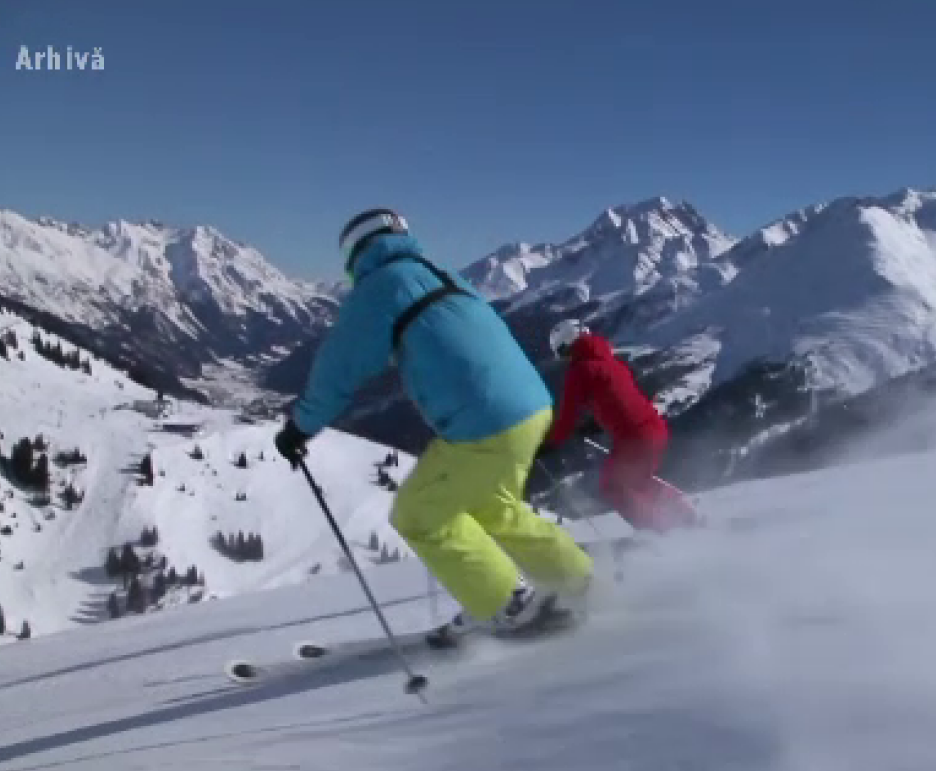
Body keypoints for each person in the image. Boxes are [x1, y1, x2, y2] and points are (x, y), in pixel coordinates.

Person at [273, 208, 592, 642]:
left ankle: (509, 605)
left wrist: (301, 426)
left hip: (485, 422)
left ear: (354, 253)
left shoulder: (380, 288)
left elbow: (338, 368)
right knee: (496, 508)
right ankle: (576, 579)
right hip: (531, 408)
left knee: (419, 515)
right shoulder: (441, 274)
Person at [542, 320, 701, 533]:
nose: (564, 359)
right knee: (637, 481)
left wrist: (550, 443)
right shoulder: (611, 360)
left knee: (613, 486)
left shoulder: (580, 369)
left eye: (562, 352)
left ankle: (659, 530)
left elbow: (568, 415)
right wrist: (596, 424)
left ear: (568, 344)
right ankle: (686, 515)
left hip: (634, 437)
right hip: (654, 428)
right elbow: (621, 397)